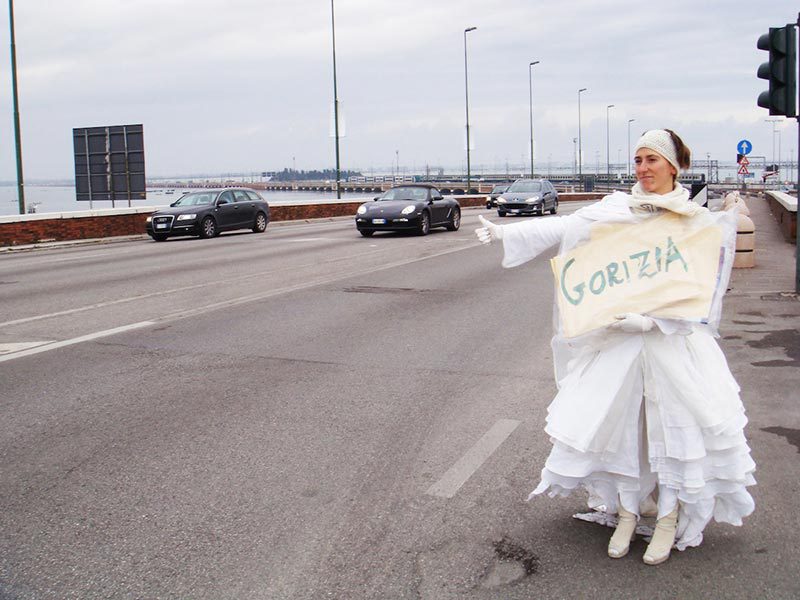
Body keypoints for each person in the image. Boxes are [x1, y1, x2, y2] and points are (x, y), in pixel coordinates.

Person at [475, 129, 755, 565]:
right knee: (623, 429)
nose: (642, 169)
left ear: (674, 166)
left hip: (670, 345)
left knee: (670, 431)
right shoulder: (616, 208)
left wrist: (651, 319)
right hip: (619, 344)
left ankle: (667, 516)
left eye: (652, 160)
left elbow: (702, 294)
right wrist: (508, 236)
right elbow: (568, 225)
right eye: (638, 160)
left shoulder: (696, 222)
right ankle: (626, 511)